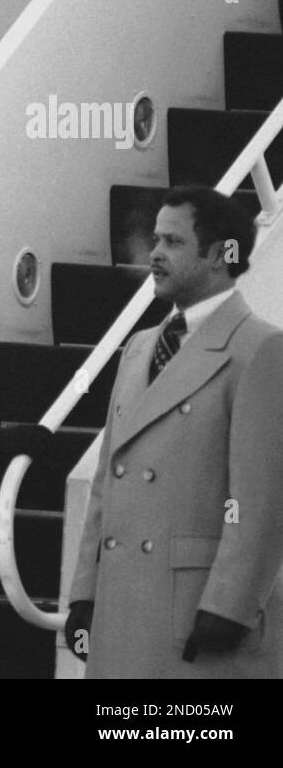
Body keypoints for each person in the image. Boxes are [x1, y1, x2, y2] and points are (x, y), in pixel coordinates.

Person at [66, 186, 283, 678]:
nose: (155, 254)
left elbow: (261, 499)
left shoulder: (261, 349)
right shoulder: (139, 347)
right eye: (155, 240)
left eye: (173, 241)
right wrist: (84, 592)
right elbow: (105, 484)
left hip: (194, 613)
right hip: (121, 603)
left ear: (219, 255)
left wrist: (230, 605)